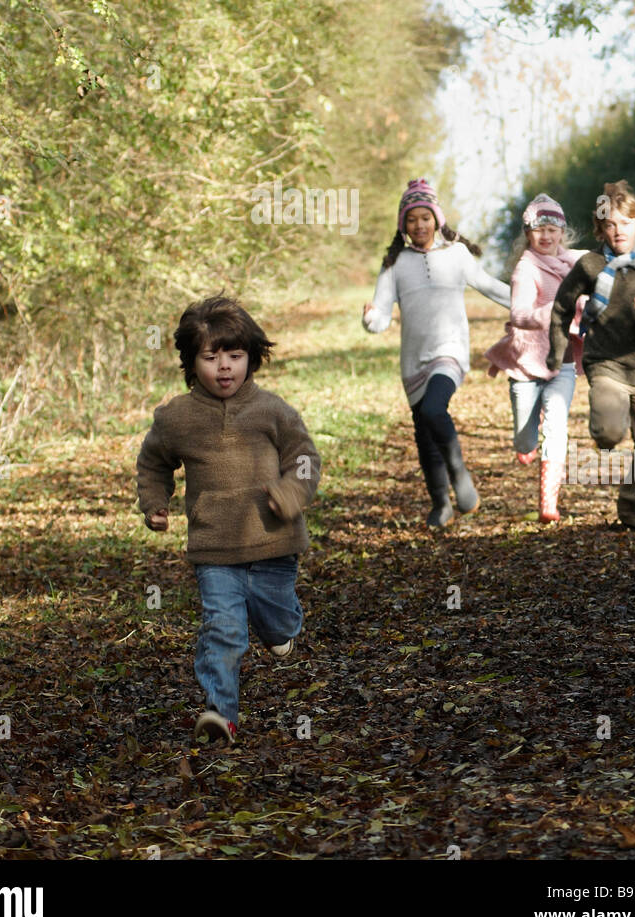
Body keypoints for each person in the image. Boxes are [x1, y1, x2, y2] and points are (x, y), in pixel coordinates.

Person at [136, 295, 321, 743]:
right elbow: (153, 462)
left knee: (275, 624)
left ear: (251, 358)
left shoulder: (273, 411)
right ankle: (221, 713)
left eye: (235, 356)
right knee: (223, 628)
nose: (224, 368)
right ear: (190, 360)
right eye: (211, 357)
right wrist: (155, 502)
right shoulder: (176, 417)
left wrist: (291, 493)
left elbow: (304, 459)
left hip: (274, 544)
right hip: (215, 549)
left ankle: (282, 628)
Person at [363, 177, 510, 527]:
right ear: (403, 224)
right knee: (423, 432)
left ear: (436, 219)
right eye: (411, 219)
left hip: (450, 351)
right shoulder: (395, 263)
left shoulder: (456, 255)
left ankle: (461, 476)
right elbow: (381, 314)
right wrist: (371, 319)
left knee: (434, 409)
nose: (419, 225)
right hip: (413, 359)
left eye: (425, 218)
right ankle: (440, 503)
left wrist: (534, 303)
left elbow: (491, 287)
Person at [548, 180, 635, 531]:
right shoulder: (590, 266)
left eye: (624, 222)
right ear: (601, 229)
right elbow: (561, 307)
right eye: (609, 224)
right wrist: (556, 352)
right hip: (605, 362)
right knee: (607, 432)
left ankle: (634, 509)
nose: (617, 231)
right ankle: (605, 434)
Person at [485, 193, 587, 523]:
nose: (546, 236)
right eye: (538, 230)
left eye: (552, 229)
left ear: (562, 232)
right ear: (528, 234)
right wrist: (554, 311)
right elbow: (520, 313)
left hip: (563, 360)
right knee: (524, 437)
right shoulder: (525, 268)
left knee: (557, 425)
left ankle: (548, 504)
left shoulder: (574, 264)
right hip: (526, 362)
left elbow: (600, 273)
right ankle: (527, 440)